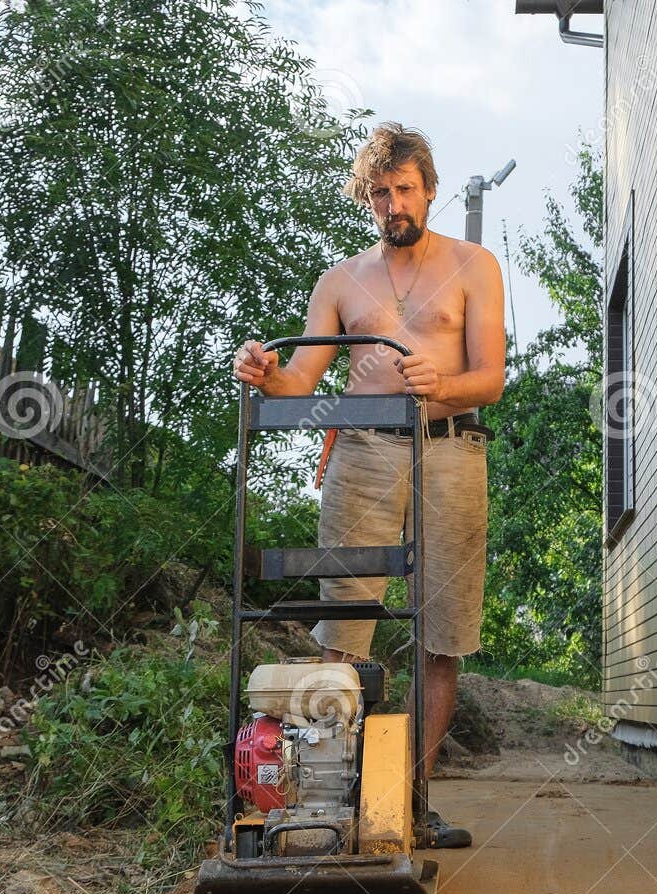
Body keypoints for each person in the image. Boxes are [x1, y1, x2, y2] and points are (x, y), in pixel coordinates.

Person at [233, 122, 505, 849]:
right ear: (368, 201)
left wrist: (442, 382)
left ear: (430, 189)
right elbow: (300, 383)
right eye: (380, 193)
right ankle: (335, 800)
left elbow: (492, 377)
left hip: (449, 451)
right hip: (361, 454)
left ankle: (408, 800)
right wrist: (265, 372)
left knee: (440, 637)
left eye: (405, 189)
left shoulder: (475, 266)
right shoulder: (341, 281)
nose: (394, 204)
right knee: (344, 634)